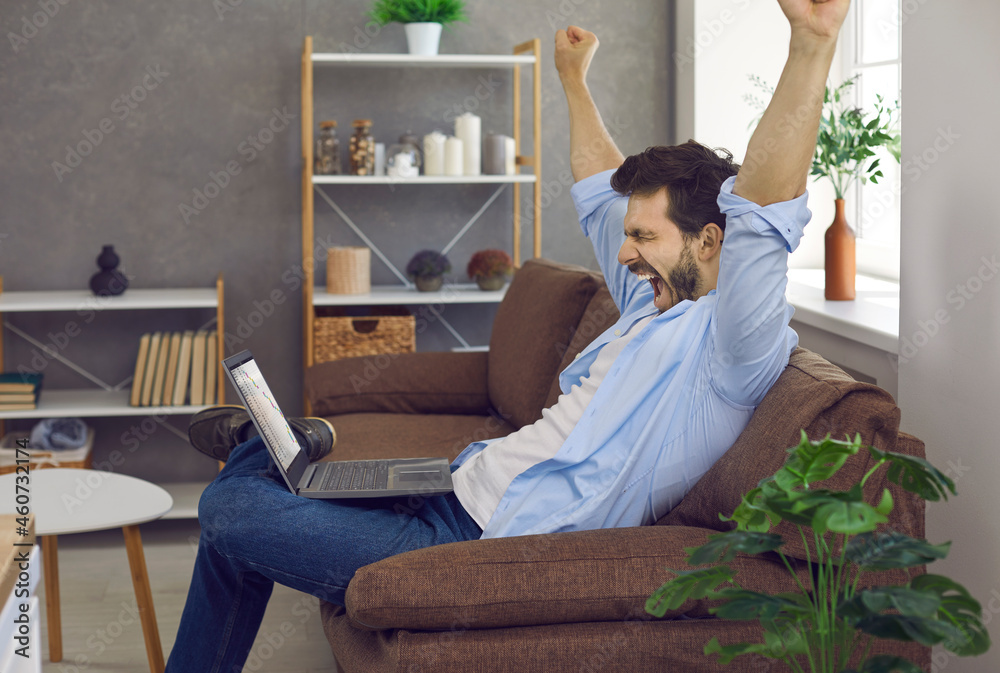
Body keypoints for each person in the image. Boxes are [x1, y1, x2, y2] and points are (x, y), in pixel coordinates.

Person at [165, 2, 849, 669]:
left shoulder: (731, 353)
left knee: (229, 506)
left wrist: (810, 46)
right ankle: (273, 449)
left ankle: (262, 449)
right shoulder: (654, 300)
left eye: (644, 236)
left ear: (708, 240)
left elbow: (759, 216)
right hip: (455, 480)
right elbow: (599, 195)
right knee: (268, 480)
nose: (626, 250)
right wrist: (574, 81)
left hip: (472, 537)